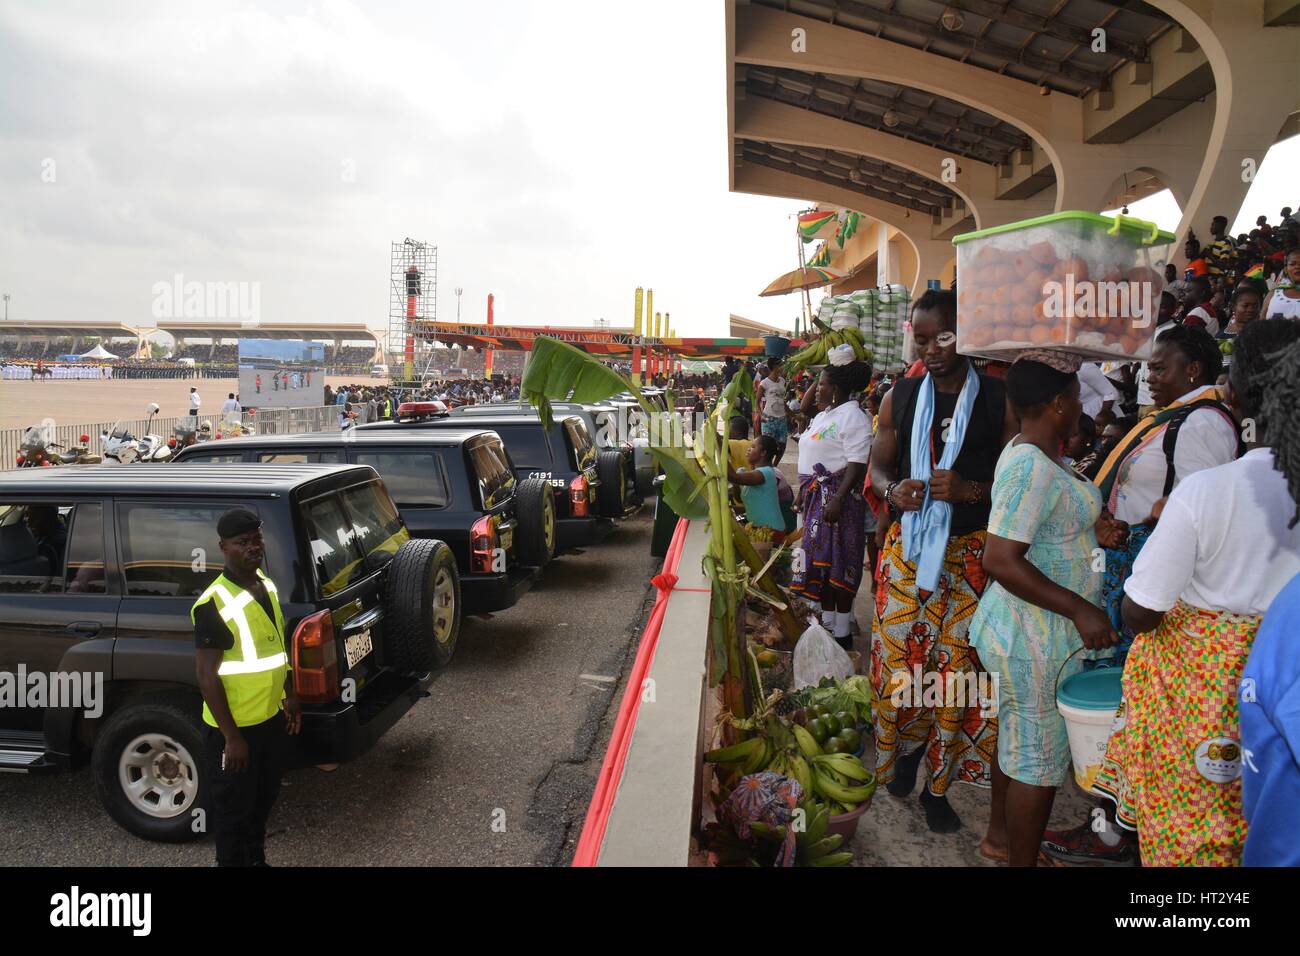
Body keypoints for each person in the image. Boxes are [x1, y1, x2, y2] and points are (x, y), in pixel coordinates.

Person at [1093, 320, 1300, 866]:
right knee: (1260, 821)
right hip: (1284, 681)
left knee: (1190, 828)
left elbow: (1141, 611)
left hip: (1198, 696)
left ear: (1231, 391)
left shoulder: (1208, 492)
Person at [1041, 324, 1240, 865]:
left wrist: (1149, 519)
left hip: (1158, 589)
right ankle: (1113, 824)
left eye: (1160, 367)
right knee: (1123, 709)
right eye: (1150, 367)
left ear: (1193, 370)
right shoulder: (1177, 419)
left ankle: (1116, 833)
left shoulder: (1200, 426)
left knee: (1131, 713)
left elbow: (1200, 508)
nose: (1149, 377)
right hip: (1139, 568)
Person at [967, 353, 1127, 866]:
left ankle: (1000, 838)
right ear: (1059, 404)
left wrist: (1089, 530)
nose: (1082, 405)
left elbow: (1041, 526)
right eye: (1078, 396)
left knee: (1020, 738)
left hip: (1037, 633)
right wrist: (1081, 608)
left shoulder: (1036, 452)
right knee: (1038, 758)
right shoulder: (1030, 466)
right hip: (1032, 637)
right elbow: (1000, 558)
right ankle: (1020, 858)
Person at [867, 289, 1016, 833]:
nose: (929, 349)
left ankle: (937, 785)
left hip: (971, 559)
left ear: (968, 333)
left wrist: (972, 489)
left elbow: (1020, 480)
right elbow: (879, 467)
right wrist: (893, 492)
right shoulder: (898, 398)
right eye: (921, 338)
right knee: (901, 670)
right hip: (908, 556)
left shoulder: (1002, 400)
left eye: (942, 337)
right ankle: (904, 753)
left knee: (955, 679)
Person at [193, 508, 300, 867]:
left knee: (262, 802)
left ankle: (256, 862)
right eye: (243, 542)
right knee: (232, 815)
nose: (254, 547)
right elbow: (207, 676)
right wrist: (231, 737)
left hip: (269, 720)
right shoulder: (213, 603)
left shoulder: (265, 585)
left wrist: (290, 694)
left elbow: (276, 648)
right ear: (223, 547)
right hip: (234, 731)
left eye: (257, 540)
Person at [792, 354, 873, 650]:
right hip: (816, 499)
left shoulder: (854, 416)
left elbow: (857, 461)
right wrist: (803, 491)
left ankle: (842, 635)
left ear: (836, 389)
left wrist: (838, 498)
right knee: (821, 567)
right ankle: (827, 627)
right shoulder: (824, 415)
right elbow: (812, 454)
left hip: (838, 503)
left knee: (840, 566)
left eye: (822, 384)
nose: (816, 389)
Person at [728, 435, 786, 542]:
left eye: (753, 447)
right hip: (757, 529)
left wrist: (719, 450)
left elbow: (733, 477)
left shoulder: (766, 473)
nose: (749, 449)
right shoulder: (751, 473)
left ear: (763, 452)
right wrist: (730, 508)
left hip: (771, 531)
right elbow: (745, 502)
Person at [757, 359, 789, 465]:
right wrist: (761, 415)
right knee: (768, 446)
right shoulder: (764, 383)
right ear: (774, 367)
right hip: (768, 418)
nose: (783, 367)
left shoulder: (782, 381)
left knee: (782, 445)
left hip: (782, 418)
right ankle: (768, 465)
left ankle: (774, 466)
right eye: (780, 365)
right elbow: (757, 402)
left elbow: (783, 400)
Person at [1261, 248, 1300, 319]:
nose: (1297, 267)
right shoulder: (1272, 294)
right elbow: (1261, 324)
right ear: (1285, 269)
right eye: (1292, 264)